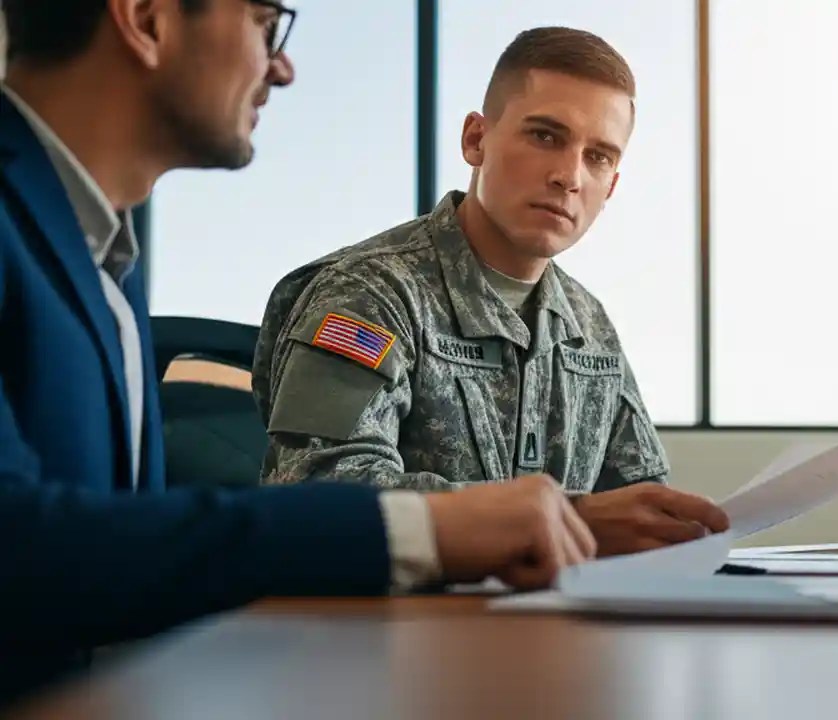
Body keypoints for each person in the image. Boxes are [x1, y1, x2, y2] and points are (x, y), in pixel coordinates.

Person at [0, 0, 594, 702]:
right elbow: (19, 548)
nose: (281, 67)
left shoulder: (105, 260)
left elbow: (116, 573)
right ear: (148, 18)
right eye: (261, 22)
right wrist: (422, 525)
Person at [253, 26, 730, 557]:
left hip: (559, 631)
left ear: (611, 184)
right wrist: (572, 519)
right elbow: (318, 498)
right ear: (476, 140)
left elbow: (642, 505)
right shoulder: (372, 293)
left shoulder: (588, 326)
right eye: (545, 136)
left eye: (598, 156)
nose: (568, 176)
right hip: (391, 633)